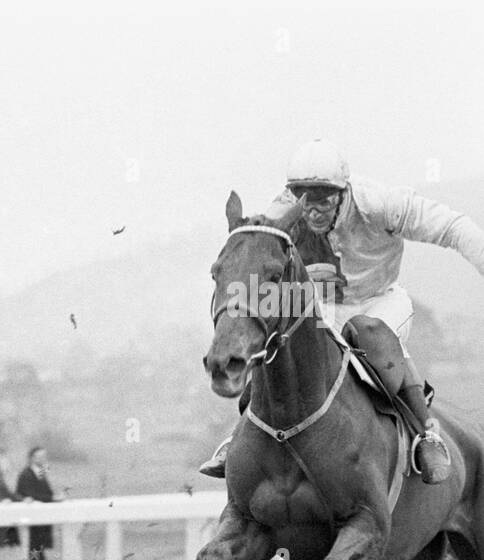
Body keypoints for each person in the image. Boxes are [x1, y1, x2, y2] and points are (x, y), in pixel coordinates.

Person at [201, 139, 484, 484]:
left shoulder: (381, 204)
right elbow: (259, 252)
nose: (313, 210)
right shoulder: (283, 211)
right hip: (324, 304)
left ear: (344, 191)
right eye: (304, 197)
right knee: (282, 341)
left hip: (380, 299)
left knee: (374, 336)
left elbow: (453, 227)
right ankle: (240, 433)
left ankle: (427, 435)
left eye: (324, 198)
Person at [15, 446, 57, 560]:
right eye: (40, 457)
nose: (43, 459)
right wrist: (52, 498)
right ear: (32, 458)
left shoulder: (41, 473)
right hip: (31, 519)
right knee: (34, 548)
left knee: (39, 549)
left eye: (44, 456)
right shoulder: (26, 474)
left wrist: (54, 497)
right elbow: (30, 494)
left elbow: (47, 492)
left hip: (41, 519)